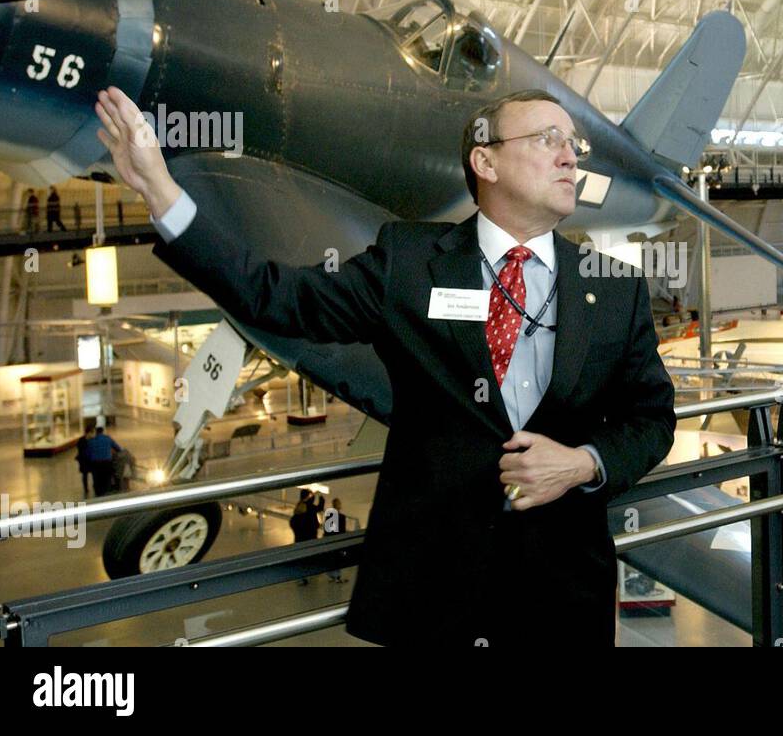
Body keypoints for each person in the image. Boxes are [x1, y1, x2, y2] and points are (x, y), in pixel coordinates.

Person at [94, 85, 675, 647]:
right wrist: (161, 189)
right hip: (434, 594)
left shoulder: (615, 288)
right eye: (548, 137)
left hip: (562, 596)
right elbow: (276, 298)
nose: (570, 155)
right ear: (486, 161)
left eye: (574, 143)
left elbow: (652, 420)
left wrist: (580, 463)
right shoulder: (408, 262)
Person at [82, 426, 123, 498]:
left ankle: (98, 496)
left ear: (96, 432)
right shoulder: (108, 439)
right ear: (103, 431)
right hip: (107, 463)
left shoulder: (91, 441)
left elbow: (87, 454)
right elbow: (118, 448)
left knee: (97, 482)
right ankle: (107, 496)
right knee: (107, 480)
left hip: (96, 465)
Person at [325, 498, 348, 583]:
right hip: (338, 540)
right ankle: (337, 576)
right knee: (338, 558)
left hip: (331, 539)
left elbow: (327, 529)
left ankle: (332, 575)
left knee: (332, 557)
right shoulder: (342, 517)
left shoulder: (329, 515)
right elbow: (342, 530)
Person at [74, 425, 94, 497]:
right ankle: (86, 488)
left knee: (89, 474)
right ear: (89, 432)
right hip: (84, 460)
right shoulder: (86, 440)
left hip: (87, 459)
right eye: (92, 432)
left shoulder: (82, 440)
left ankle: (91, 486)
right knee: (85, 474)